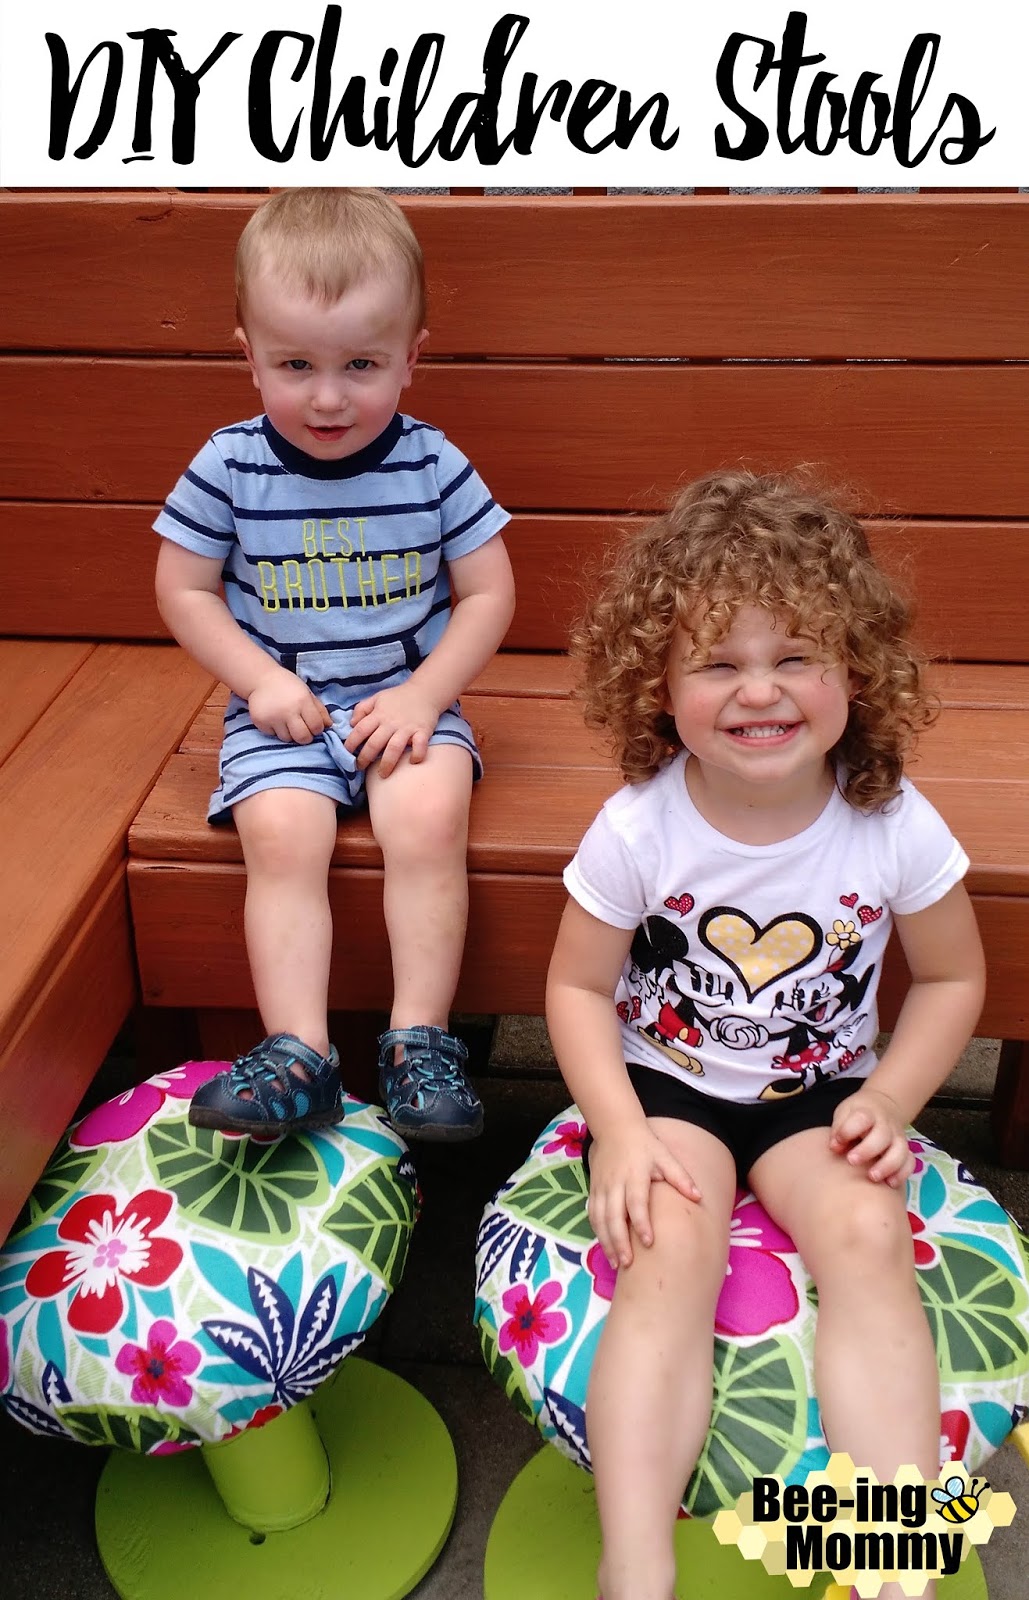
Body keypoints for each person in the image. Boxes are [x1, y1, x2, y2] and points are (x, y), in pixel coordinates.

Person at [545, 468, 985, 1600]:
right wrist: (619, 1130)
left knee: (871, 1241)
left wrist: (888, 1102)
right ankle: (634, 1562)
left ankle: (893, 1562)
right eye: (719, 661)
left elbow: (950, 976)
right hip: (670, 1092)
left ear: (855, 667)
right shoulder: (640, 826)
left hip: (815, 1101)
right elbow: (579, 990)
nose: (761, 691)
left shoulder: (890, 819)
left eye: (795, 655)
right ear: (659, 680)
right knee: (665, 1257)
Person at [154, 188, 515, 1142]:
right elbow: (184, 590)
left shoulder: (433, 464)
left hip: (405, 702)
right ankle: (299, 1050)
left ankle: (419, 1042)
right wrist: (259, 681)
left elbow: (487, 596)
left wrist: (427, 693)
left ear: (411, 356)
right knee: (280, 835)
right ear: (248, 354)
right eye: (295, 364)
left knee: (429, 815)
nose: (327, 396)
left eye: (361, 364)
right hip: (281, 709)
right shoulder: (228, 466)